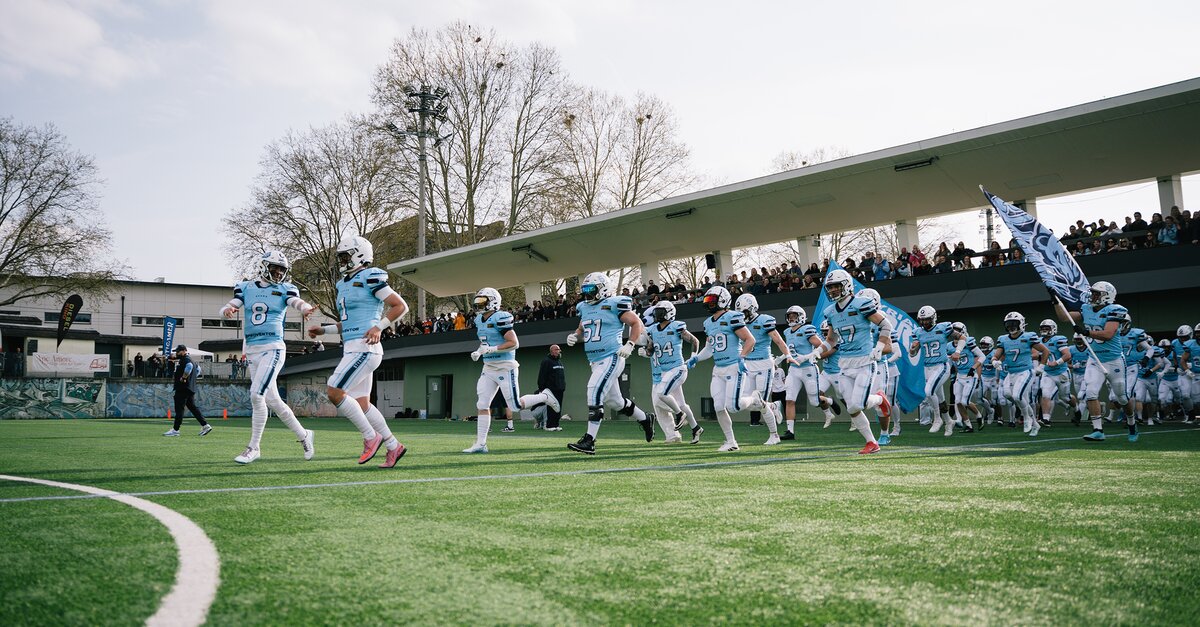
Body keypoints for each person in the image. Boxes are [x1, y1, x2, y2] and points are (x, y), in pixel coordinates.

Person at [307, 234, 409, 468]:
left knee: (334, 391)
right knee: (362, 403)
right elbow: (349, 323)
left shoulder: (370, 276)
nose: (342, 261)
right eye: (341, 257)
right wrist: (323, 330)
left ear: (359, 255)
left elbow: (400, 306)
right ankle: (393, 446)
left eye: (345, 256)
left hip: (365, 348)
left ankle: (370, 437)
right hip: (353, 347)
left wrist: (379, 327)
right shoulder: (342, 284)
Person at [219, 250, 316, 465]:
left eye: (282, 269)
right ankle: (304, 435)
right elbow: (232, 304)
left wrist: (306, 308)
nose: (279, 272)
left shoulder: (285, 289)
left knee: (256, 395)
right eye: (275, 268)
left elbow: (296, 302)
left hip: (272, 348)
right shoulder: (246, 287)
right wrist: (226, 310)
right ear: (264, 266)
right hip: (253, 349)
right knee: (273, 401)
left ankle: (254, 447)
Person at [565, 272, 654, 455]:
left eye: (591, 289)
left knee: (594, 390)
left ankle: (589, 440)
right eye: (585, 290)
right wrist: (575, 335)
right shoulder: (584, 307)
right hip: (594, 360)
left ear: (603, 289)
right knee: (615, 402)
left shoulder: (614, 303)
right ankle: (645, 418)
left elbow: (635, 323)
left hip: (612, 356)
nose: (587, 293)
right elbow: (583, 327)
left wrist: (630, 344)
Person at [462, 287, 560, 453]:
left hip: (505, 366)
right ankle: (481, 444)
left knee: (514, 406)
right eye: (477, 301)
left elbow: (514, 343)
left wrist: (491, 349)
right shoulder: (479, 320)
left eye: (482, 301)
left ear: (493, 302)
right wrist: (479, 352)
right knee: (482, 403)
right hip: (488, 367)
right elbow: (486, 342)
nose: (479, 304)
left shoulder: (501, 317)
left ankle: (544, 396)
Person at [686, 286, 773, 452]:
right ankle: (731, 442)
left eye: (712, 300)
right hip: (718, 370)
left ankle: (754, 398)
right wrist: (696, 357)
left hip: (734, 367)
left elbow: (750, 340)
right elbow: (710, 349)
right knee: (719, 407)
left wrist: (742, 357)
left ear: (723, 300)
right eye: (707, 300)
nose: (709, 303)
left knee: (734, 407)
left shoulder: (733, 317)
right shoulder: (708, 323)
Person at [818, 270, 893, 454]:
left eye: (836, 286)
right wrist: (816, 352)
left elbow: (886, 325)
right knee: (851, 407)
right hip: (844, 364)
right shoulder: (830, 311)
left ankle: (879, 399)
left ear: (847, 285)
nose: (833, 290)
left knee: (858, 404)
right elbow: (831, 339)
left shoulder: (861, 303)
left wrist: (879, 346)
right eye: (830, 287)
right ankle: (871, 442)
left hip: (864, 361)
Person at [1053, 280, 1132, 442]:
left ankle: (1131, 421)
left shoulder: (1115, 309)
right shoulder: (1087, 308)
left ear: (1107, 296)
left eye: (1097, 293)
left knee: (1122, 397)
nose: (1092, 296)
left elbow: (1108, 334)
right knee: (1091, 392)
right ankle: (1098, 430)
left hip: (1114, 360)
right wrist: (1055, 301)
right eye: (1093, 293)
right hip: (1095, 359)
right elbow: (1064, 317)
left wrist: (1086, 332)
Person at [639, 301, 702, 444]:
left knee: (661, 393)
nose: (657, 314)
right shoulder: (653, 329)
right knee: (681, 403)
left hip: (677, 368)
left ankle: (680, 415)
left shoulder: (676, 326)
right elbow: (651, 350)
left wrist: (693, 357)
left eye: (660, 312)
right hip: (666, 371)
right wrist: (646, 353)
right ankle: (696, 428)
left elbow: (695, 341)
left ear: (669, 313)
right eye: (656, 312)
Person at [732, 293, 787, 443]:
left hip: (763, 364)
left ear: (753, 308)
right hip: (747, 364)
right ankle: (773, 406)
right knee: (745, 403)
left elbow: (778, 340)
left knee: (759, 401)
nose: (743, 315)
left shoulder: (764, 320)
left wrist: (787, 355)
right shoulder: (739, 324)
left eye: (745, 312)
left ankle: (774, 435)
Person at [779, 305, 840, 440]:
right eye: (789, 316)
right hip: (794, 369)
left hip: (808, 369)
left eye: (794, 316)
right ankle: (790, 431)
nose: (791, 318)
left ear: (801, 316)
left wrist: (807, 357)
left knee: (815, 401)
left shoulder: (807, 329)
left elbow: (821, 347)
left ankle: (829, 401)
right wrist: (781, 358)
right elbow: (790, 350)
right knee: (789, 399)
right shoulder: (787, 332)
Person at [992, 312, 1050, 437]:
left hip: (1025, 371)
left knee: (1017, 396)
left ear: (1021, 324)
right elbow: (996, 356)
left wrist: (1041, 366)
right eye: (1008, 324)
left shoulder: (1029, 336)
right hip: (1011, 373)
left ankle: (1027, 419)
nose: (1011, 327)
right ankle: (1035, 424)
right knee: (1008, 395)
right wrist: (994, 361)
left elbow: (1045, 351)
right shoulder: (1003, 339)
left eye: (1014, 323)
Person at [911, 306, 956, 435]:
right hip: (927, 368)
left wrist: (958, 351)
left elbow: (961, 338)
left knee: (928, 391)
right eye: (922, 320)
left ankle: (937, 418)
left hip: (941, 365)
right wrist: (913, 350)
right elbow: (913, 353)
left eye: (927, 319)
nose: (924, 322)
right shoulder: (918, 332)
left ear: (933, 318)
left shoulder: (943, 328)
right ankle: (949, 421)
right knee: (940, 399)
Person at [163, 345, 212, 437]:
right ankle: (205, 425)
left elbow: (189, 367)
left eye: (178, 351)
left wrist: (184, 377)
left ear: (184, 351)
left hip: (183, 388)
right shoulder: (190, 359)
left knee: (179, 409)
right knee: (192, 407)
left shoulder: (185, 360)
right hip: (189, 388)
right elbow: (198, 369)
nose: (177, 353)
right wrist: (192, 378)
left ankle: (175, 430)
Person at [1036, 319, 1072, 427]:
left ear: (1053, 329)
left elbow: (1067, 355)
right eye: (1042, 328)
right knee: (1045, 393)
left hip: (1061, 372)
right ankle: (1046, 419)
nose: (1044, 330)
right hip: (1047, 373)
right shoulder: (1038, 340)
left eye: (1047, 328)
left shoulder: (1058, 339)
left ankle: (1076, 408)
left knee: (1065, 398)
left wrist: (1056, 363)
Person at [538, 345, 567, 431]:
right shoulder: (546, 361)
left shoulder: (559, 362)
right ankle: (549, 426)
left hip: (560, 389)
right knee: (551, 407)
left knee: (558, 407)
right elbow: (542, 375)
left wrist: (563, 386)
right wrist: (541, 388)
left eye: (559, 349)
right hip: (551, 389)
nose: (559, 351)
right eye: (557, 349)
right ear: (552, 351)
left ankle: (556, 425)